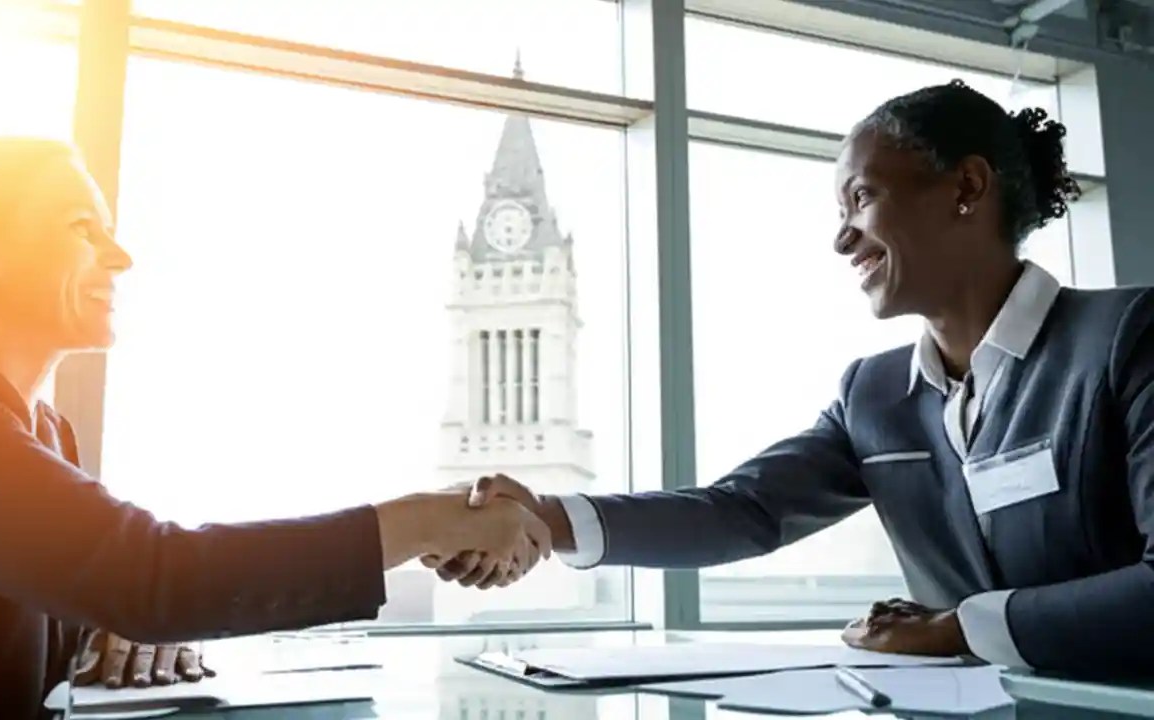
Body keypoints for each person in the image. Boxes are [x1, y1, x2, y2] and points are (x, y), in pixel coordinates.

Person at [431, 79, 1154, 680]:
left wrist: (957, 628)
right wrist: (546, 516)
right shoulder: (873, 396)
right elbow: (740, 510)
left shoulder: (1126, 340)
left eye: (862, 199)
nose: (842, 239)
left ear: (967, 187)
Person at [0, 137, 552, 719]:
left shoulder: (45, 430)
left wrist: (112, 632)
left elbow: (96, 595)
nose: (119, 257)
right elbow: (150, 573)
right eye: (83, 227)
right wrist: (424, 522)